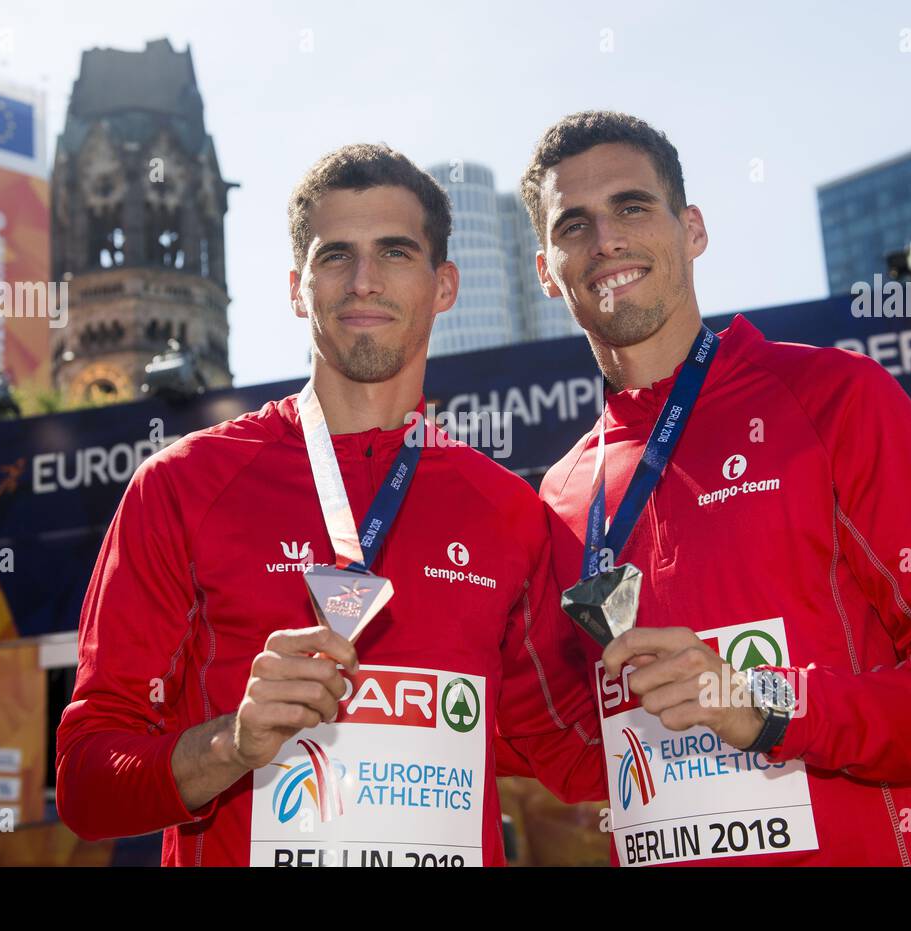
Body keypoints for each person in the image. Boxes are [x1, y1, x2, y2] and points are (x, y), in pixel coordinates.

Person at [56, 143, 604, 867]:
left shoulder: (506, 511)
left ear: (444, 285)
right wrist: (234, 744)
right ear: (297, 287)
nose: (364, 282)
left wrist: (738, 696)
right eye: (335, 255)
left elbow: (571, 754)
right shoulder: (182, 484)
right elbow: (88, 784)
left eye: (396, 253)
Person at [521, 110, 911, 865]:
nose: (606, 242)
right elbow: (573, 755)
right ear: (544, 270)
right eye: (574, 225)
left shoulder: (834, 398)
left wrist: (765, 703)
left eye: (632, 206)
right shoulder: (563, 494)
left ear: (692, 228)